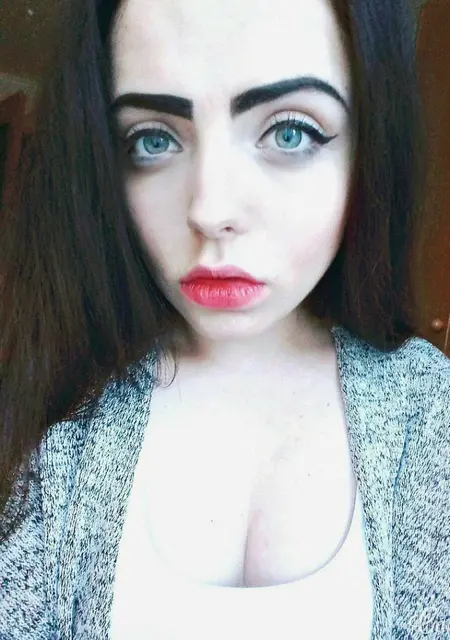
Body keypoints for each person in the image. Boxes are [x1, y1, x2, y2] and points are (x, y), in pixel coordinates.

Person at [0, 0, 449, 638]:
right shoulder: (61, 409)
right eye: (153, 139)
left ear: (371, 147)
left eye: (290, 132)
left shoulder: (429, 413)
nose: (209, 210)